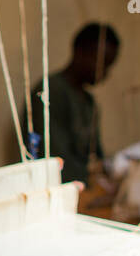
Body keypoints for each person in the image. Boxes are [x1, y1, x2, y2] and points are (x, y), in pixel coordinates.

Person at [26, 23, 119, 188]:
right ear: (80, 51)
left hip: (81, 187)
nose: (103, 72)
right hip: (49, 189)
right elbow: (54, 158)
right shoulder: (49, 91)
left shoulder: (90, 103)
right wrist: (91, 178)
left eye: (108, 66)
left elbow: (96, 157)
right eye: (101, 62)